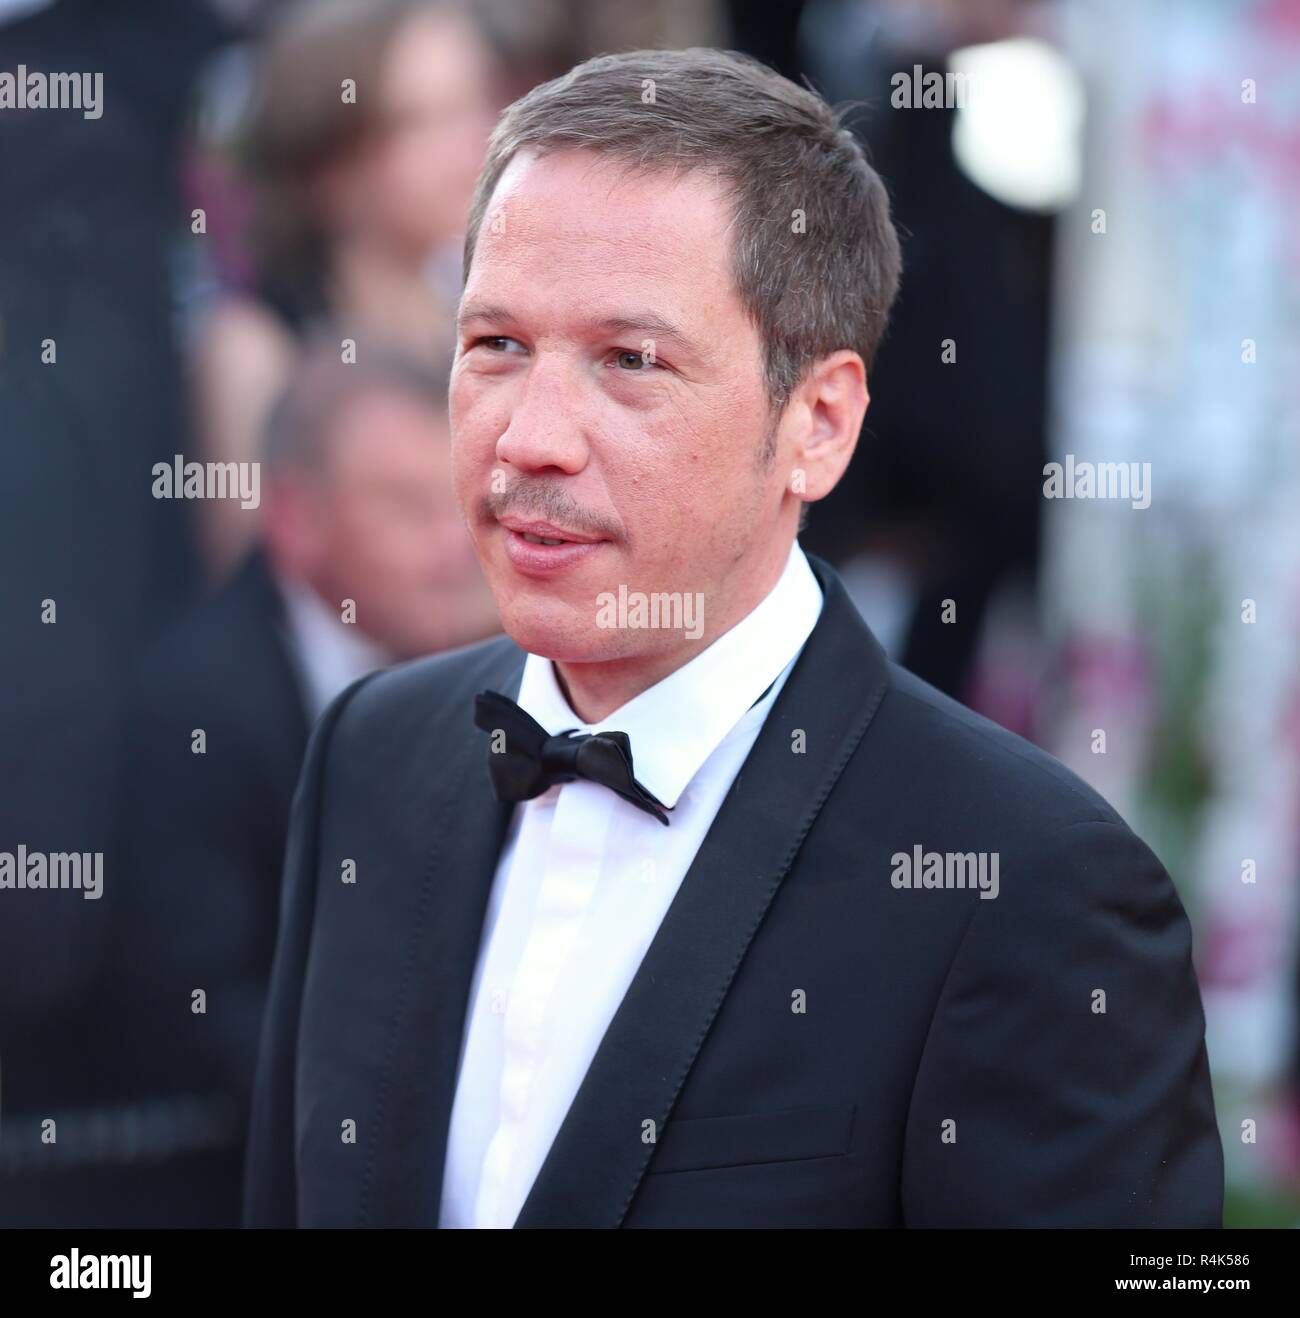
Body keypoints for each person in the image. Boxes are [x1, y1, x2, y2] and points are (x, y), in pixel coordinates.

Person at [244, 47, 1223, 1229]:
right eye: (496, 343)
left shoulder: (1029, 885)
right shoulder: (370, 751)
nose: (529, 438)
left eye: (631, 361)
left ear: (818, 425)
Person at [110, 346, 497, 1226]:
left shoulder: (504, 664)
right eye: (406, 508)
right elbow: (195, 1007)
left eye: (462, 503)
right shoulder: (196, 709)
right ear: (294, 519)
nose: (457, 549)